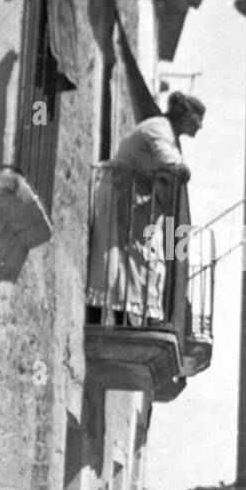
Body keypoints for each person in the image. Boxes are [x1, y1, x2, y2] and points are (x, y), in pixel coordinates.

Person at [85, 92, 205, 327]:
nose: (200, 127)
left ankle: (126, 321)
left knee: (139, 265)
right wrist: (183, 171)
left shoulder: (170, 134)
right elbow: (170, 164)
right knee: (110, 260)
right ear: (186, 116)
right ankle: (98, 318)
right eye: (198, 121)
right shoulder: (158, 128)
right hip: (117, 193)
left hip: (134, 200)